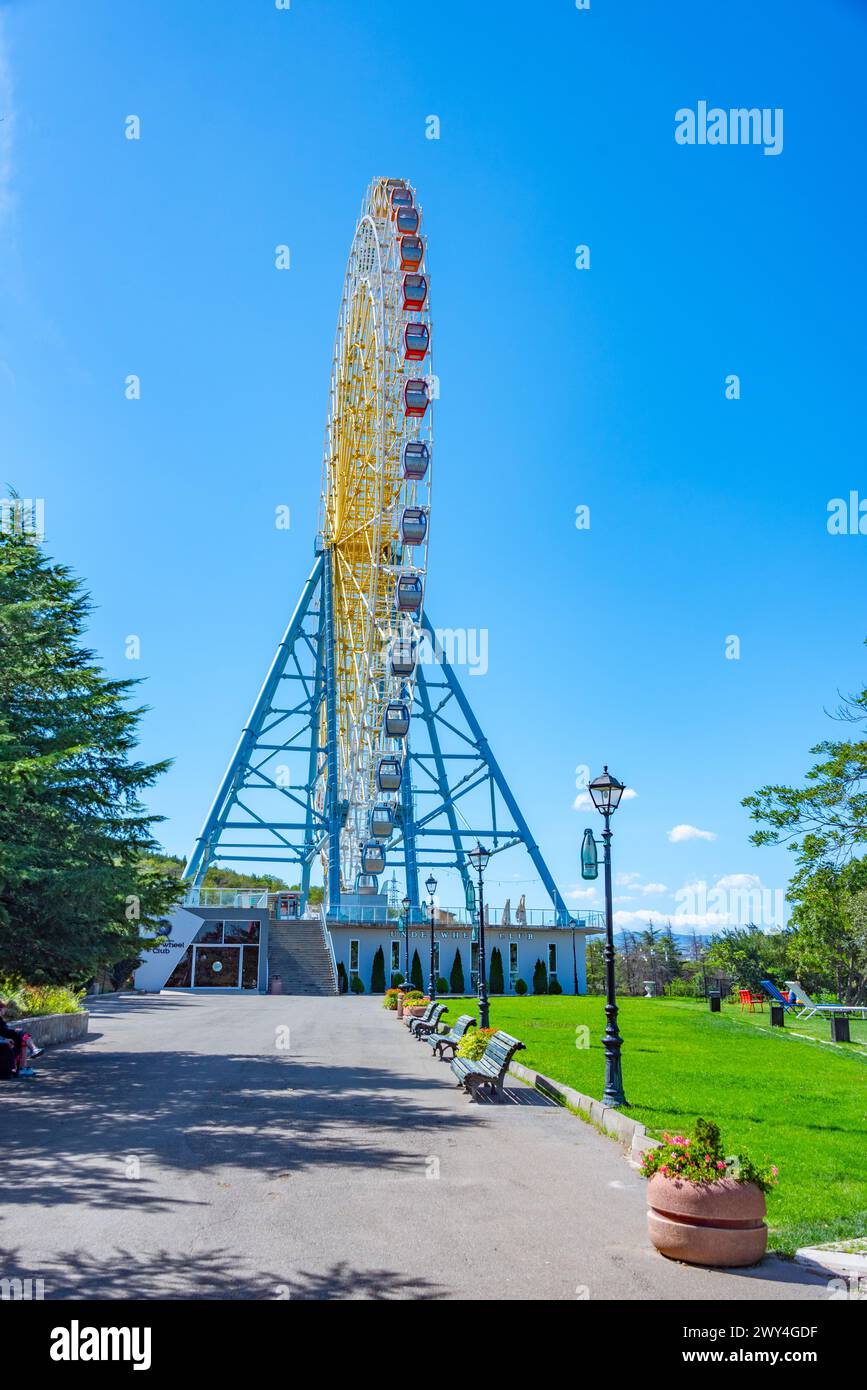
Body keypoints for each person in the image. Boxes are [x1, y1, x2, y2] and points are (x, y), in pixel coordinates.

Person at [0, 999, 41, 1077]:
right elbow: (3, 1032)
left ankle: (23, 1067)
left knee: (22, 1037)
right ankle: (33, 1049)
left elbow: (4, 1031)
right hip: (3, 1040)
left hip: (6, 1038)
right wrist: (4, 1040)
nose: (5, 1011)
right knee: (21, 1033)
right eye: (4, 1009)